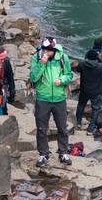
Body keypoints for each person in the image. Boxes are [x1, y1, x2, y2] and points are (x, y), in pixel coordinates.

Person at [29, 36, 73, 167]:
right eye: (45, 49)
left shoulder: (63, 58)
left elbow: (69, 75)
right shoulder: (36, 58)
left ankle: (63, 152)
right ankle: (43, 154)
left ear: (54, 49)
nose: (47, 52)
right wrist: (42, 63)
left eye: (50, 50)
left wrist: (62, 80)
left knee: (62, 127)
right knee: (42, 128)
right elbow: (33, 78)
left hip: (59, 98)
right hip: (43, 98)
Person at [72, 48, 102, 134]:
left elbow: (77, 69)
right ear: (96, 57)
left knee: (81, 105)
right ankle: (91, 128)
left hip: (84, 89)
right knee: (96, 109)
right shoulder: (100, 66)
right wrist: (101, 59)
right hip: (96, 91)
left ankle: (78, 123)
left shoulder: (82, 64)